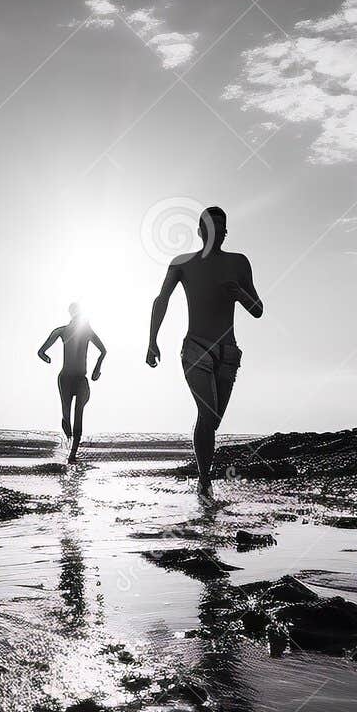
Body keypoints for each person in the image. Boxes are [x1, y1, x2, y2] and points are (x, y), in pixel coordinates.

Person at [145, 206, 262, 497]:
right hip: (195, 349)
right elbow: (161, 300)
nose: (216, 234)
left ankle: (203, 476)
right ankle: (204, 481)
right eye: (210, 229)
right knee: (207, 414)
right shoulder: (182, 263)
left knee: (213, 421)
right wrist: (152, 341)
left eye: (221, 230)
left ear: (226, 233)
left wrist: (240, 293)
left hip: (228, 353)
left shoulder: (239, 263)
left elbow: (257, 310)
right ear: (199, 232)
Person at [37, 302, 106, 464]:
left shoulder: (86, 331)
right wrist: (44, 356)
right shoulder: (63, 330)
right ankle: (68, 443)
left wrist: (97, 369)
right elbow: (41, 350)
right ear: (72, 314)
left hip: (80, 379)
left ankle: (72, 455)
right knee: (67, 416)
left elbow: (103, 350)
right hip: (66, 378)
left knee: (78, 413)